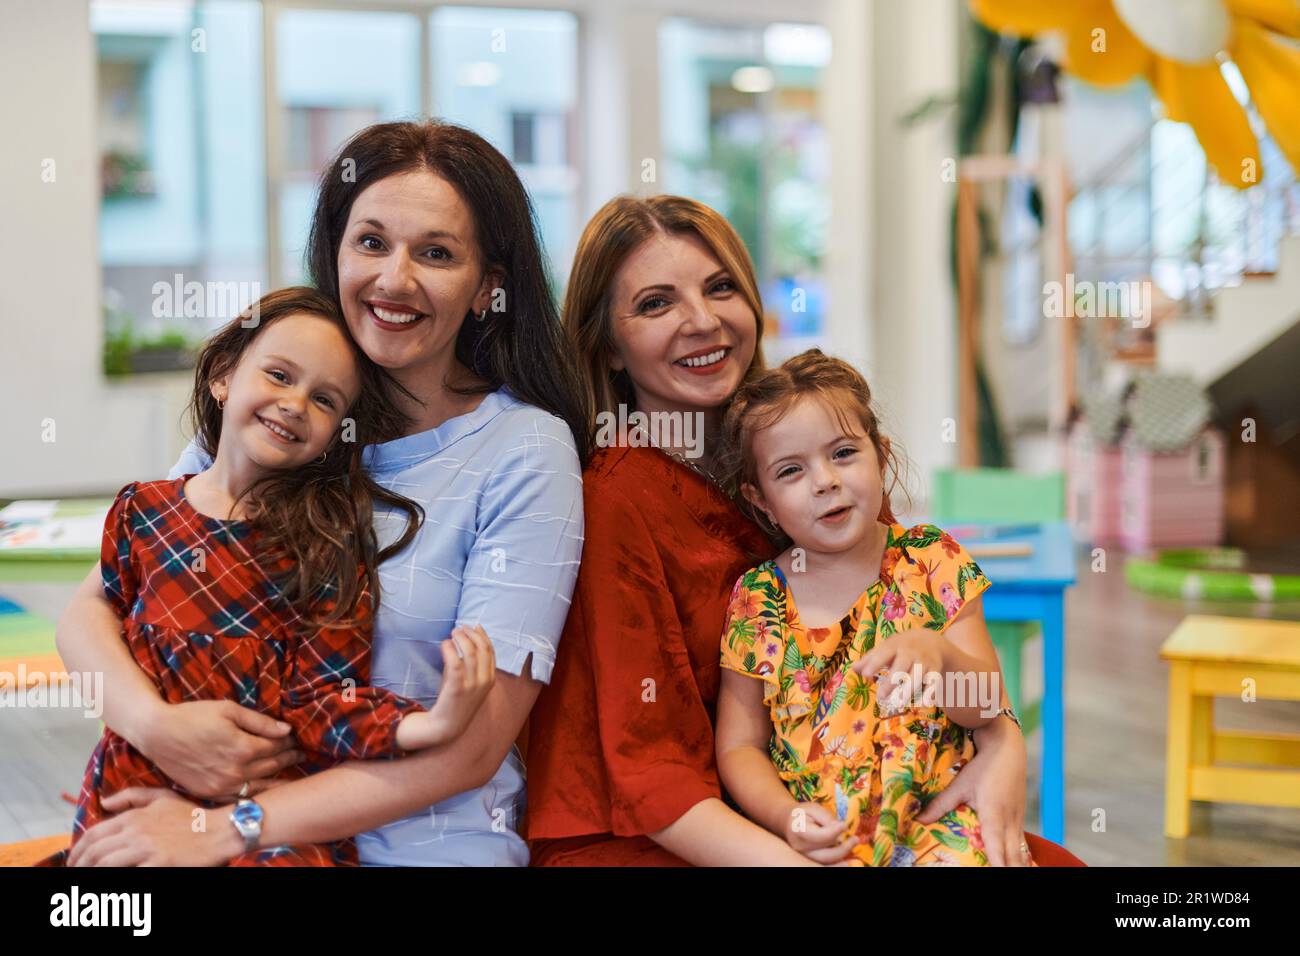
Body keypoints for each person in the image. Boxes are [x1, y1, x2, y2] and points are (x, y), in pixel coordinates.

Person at [57, 121, 586, 867]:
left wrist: (227, 825)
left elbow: (472, 749)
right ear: (335, 251)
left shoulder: (524, 450)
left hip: (415, 849)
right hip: (200, 819)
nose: (394, 279)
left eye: (436, 253)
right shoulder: (277, 408)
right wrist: (154, 728)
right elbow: (92, 610)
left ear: (487, 288)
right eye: (370, 242)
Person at [527, 194, 1044, 867]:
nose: (703, 320)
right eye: (656, 304)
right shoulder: (615, 496)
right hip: (655, 833)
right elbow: (650, 775)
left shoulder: (804, 441)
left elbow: (938, 643)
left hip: (858, 813)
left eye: (721, 288)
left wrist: (1003, 744)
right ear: (610, 348)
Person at [50, 288, 496, 866]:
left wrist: (429, 726)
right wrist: (150, 724)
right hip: (130, 789)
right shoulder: (142, 512)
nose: (294, 404)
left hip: (262, 816)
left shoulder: (325, 547)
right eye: (280, 375)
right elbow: (94, 628)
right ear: (222, 375)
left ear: (338, 435)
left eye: (325, 400)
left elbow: (324, 702)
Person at [715, 349, 1029, 866]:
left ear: (881, 455)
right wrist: (786, 818)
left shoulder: (931, 559)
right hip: (821, 838)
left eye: (842, 454)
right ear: (761, 500)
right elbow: (739, 746)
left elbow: (988, 706)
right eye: (791, 470)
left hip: (937, 822)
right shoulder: (758, 600)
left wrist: (941, 656)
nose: (825, 480)